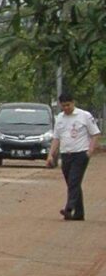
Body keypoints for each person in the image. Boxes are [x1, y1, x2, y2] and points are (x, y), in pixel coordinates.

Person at [48, 90, 98, 221]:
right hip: (66, 154)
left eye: (68, 105)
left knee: (73, 181)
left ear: (73, 103)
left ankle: (69, 208)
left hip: (80, 154)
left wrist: (90, 151)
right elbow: (56, 138)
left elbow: (95, 133)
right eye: (63, 106)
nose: (66, 108)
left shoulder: (84, 116)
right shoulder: (59, 118)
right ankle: (79, 213)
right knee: (72, 184)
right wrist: (50, 155)